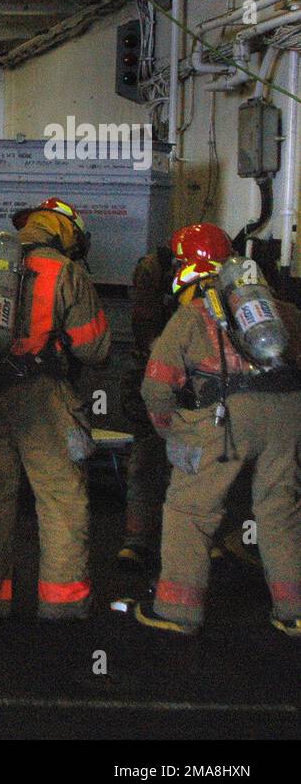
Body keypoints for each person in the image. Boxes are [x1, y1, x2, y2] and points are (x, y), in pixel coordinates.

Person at [136, 224, 301, 637]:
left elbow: (156, 385)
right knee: (280, 510)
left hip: (225, 418)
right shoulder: (282, 311)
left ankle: (177, 610)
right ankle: (294, 610)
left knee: (190, 510)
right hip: (287, 416)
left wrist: (171, 431)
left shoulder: (191, 315)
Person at [0, 197, 111, 620]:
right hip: (43, 398)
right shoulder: (65, 271)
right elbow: (94, 348)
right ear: (66, 229)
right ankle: (62, 603)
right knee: (60, 499)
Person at [116, 241, 181, 571]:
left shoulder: (155, 269)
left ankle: (145, 541)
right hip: (164, 378)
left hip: (167, 378)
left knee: (152, 461)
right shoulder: (155, 271)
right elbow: (147, 328)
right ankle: (144, 541)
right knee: (154, 459)